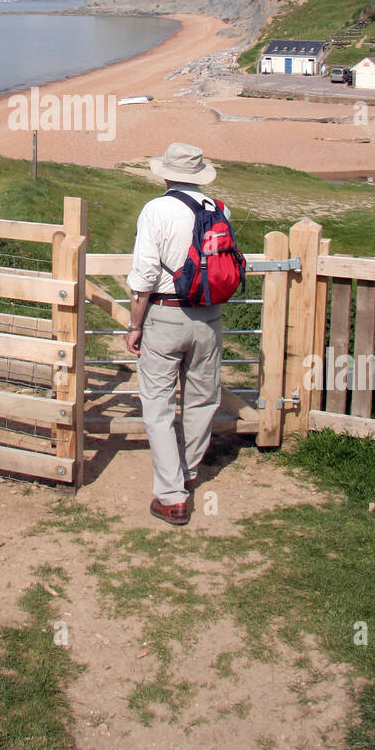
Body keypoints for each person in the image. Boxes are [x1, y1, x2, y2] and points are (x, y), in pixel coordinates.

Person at [126, 142, 229, 526]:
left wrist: (136, 324)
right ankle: (186, 473)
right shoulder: (219, 209)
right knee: (202, 400)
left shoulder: (156, 210)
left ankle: (172, 497)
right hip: (210, 317)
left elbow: (145, 276)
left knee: (158, 403)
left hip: (166, 316)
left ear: (167, 174)